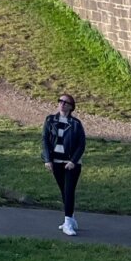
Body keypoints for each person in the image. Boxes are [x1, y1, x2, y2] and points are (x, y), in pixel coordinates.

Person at [43, 93, 86, 236]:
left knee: (69, 190)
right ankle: (71, 218)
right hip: (56, 162)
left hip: (70, 163)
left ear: (71, 107)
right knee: (63, 191)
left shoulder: (75, 124)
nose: (62, 104)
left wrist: (73, 161)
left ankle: (68, 222)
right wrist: (47, 159)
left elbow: (81, 144)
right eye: (60, 101)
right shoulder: (50, 120)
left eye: (65, 102)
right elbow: (45, 141)